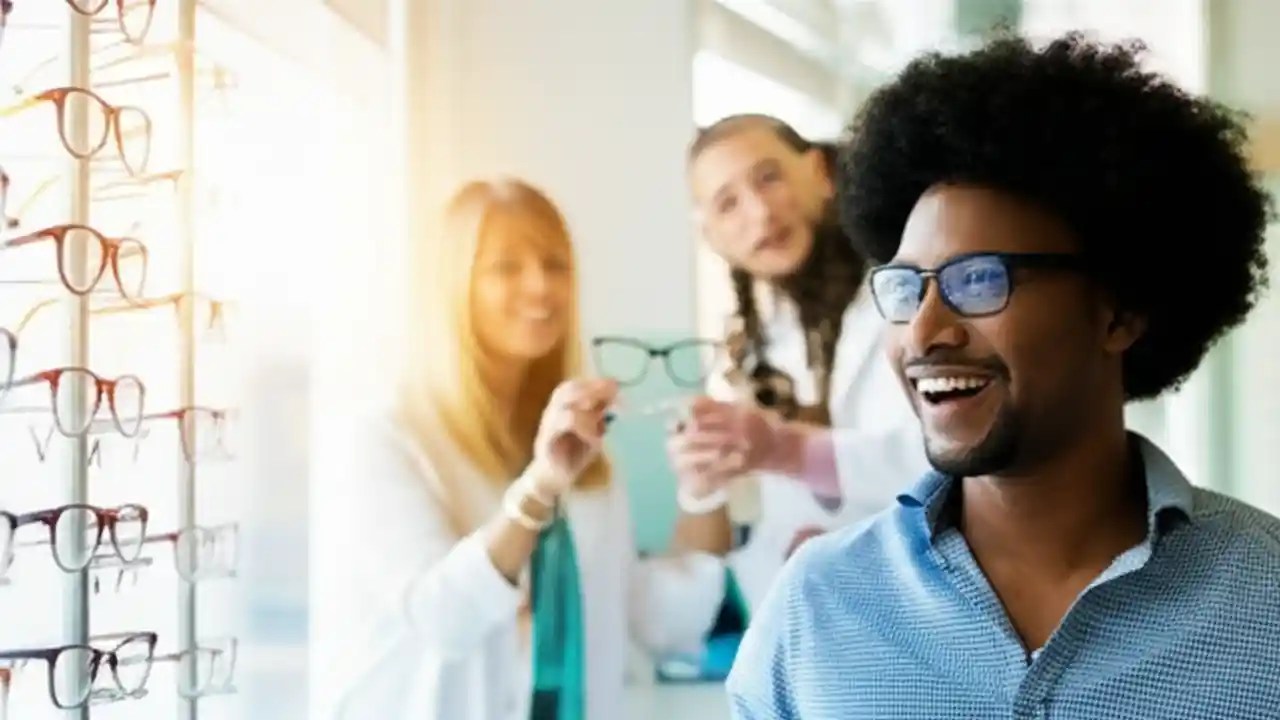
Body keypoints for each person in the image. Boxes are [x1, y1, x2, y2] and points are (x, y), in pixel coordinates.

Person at [727, 32, 1280, 719]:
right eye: (907, 288)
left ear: (1120, 311)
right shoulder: (816, 609)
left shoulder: (1268, 607)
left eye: (978, 280)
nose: (923, 333)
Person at [321, 179, 726, 719]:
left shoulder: (591, 460)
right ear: (454, 286)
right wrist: (541, 485)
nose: (540, 287)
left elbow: (662, 622)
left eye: (555, 264)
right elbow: (444, 618)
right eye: (505, 267)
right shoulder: (386, 440)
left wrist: (704, 488)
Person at [670, 114, 926, 613]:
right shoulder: (756, 351)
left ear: (820, 173)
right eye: (728, 204)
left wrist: (790, 450)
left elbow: (950, 470)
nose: (760, 212)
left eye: (769, 177)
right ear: (713, 238)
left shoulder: (910, 299)